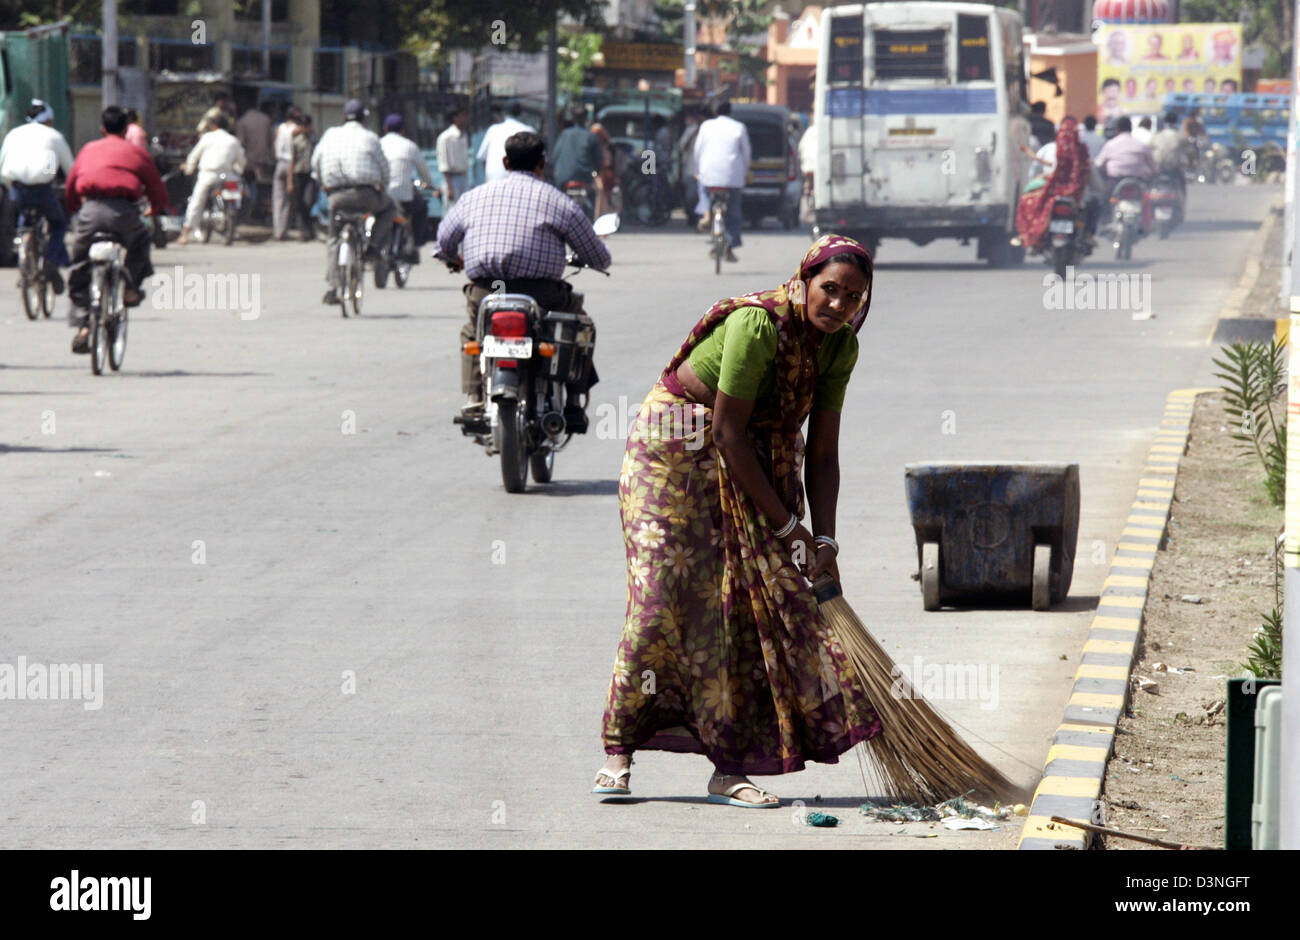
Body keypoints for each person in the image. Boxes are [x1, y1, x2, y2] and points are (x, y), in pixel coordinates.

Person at [591, 234, 881, 805]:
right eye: (829, 290)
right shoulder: (758, 326)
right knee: (661, 599)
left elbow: (823, 453)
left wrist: (823, 538)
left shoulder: (839, 347)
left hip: (756, 455)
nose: (838, 306)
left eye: (853, 297)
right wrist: (783, 526)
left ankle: (730, 767)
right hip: (677, 448)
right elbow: (725, 432)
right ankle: (619, 749)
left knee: (747, 610)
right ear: (802, 282)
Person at [435, 131, 611, 418]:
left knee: (472, 330)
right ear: (542, 163)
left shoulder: (473, 197)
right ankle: (575, 401)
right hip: (541, 293)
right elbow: (600, 257)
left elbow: (443, 242)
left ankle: (474, 395)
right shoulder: (559, 202)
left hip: (488, 291)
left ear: (505, 162)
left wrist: (453, 259)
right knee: (580, 327)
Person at [63, 105, 168, 353]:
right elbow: (156, 187)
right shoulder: (137, 153)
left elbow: (71, 184)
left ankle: (84, 325)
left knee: (79, 264)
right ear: (126, 128)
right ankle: (130, 288)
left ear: (102, 128)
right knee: (141, 241)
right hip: (124, 213)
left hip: (90, 214)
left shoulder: (88, 149)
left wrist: (73, 207)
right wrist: (156, 208)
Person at [311, 99, 394, 306]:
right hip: (366, 195)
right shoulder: (370, 137)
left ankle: (332, 288)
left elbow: (316, 163)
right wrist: (382, 186)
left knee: (333, 238)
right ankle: (373, 247)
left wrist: (323, 184)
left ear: (343, 117)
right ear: (364, 118)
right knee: (390, 208)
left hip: (336, 196)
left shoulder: (330, 134)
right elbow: (384, 169)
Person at [1, 100, 75, 293]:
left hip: (16, 190)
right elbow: (71, 170)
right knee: (59, 224)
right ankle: (51, 261)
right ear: (48, 120)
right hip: (43, 190)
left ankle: (24, 245)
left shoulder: (14, 134)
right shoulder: (54, 136)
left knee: (24, 220)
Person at [1014, 117, 1091, 254]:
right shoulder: (1081, 150)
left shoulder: (1048, 148)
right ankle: (1088, 236)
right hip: (1075, 191)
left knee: (1028, 202)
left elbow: (1034, 171)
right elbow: (1088, 172)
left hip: (1051, 188)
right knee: (1091, 205)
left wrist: (1040, 180)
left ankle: (1031, 236)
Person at [693, 100, 751, 262]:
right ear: (730, 112)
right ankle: (731, 246)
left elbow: (698, 150)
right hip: (733, 176)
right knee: (733, 212)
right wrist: (745, 171)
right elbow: (746, 153)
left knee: (702, 188)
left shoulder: (706, 126)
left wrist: (697, 170)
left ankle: (706, 214)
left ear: (715, 112)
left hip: (708, 174)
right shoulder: (739, 127)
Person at [177, 113, 247, 245]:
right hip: (228, 175)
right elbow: (242, 161)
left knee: (197, 202)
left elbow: (193, 156)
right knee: (237, 197)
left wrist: (189, 169)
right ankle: (233, 227)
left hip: (208, 174)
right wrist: (239, 171)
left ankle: (185, 233)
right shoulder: (233, 140)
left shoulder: (207, 138)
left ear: (214, 125)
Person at [379, 113, 432, 258]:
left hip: (381, 194)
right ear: (403, 130)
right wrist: (430, 184)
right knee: (421, 209)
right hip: (404, 196)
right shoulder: (409, 146)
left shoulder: (378, 144)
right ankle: (415, 245)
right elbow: (424, 171)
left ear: (385, 129)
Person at [549, 106, 603, 212]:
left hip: (563, 179)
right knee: (593, 197)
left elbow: (554, 157)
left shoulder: (564, 134)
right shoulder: (591, 136)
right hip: (584, 178)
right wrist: (597, 172)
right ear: (587, 119)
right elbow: (598, 160)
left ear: (573, 119)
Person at [1094, 116, 1157, 198]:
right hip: (1137, 184)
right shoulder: (1141, 145)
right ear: (1131, 128)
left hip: (1115, 184)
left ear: (1117, 129)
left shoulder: (1110, 145)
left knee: (1105, 202)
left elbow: (1098, 164)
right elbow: (1154, 167)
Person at [476, 102, 533, 184]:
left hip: (493, 182)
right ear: (521, 113)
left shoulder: (493, 130)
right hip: (521, 184)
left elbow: (483, 159)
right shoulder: (528, 130)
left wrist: (488, 179)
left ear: (504, 113)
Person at [237, 100, 274, 220]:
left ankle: (249, 212)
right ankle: (262, 212)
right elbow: (271, 141)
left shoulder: (242, 121)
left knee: (247, 187)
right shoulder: (266, 120)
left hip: (248, 161)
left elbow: (241, 143)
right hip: (264, 160)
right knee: (263, 189)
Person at [272, 106, 300, 240]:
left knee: (278, 199)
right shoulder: (297, 130)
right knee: (289, 200)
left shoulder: (279, 128)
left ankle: (278, 230)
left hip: (279, 163)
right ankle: (284, 229)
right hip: (291, 164)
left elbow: (275, 145)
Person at [287, 115, 316, 240]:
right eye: (303, 126)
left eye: (307, 126)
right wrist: (290, 181)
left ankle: (310, 227)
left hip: (310, 175)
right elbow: (292, 161)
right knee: (300, 203)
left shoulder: (314, 140)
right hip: (298, 174)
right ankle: (303, 230)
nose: (305, 128)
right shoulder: (296, 141)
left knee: (308, 201)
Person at [435, 106, 469, 210]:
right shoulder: (446, 137)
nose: (466, 118)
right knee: (452, 210)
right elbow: (444, 163)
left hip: (463, 177)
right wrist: (449, 187)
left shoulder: (463, 136)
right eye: (463, 116)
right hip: (452, 180)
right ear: (455, 118)